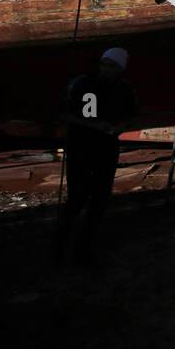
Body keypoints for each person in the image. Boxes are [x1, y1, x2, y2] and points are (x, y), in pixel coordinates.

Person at [53, 47, 138, 266]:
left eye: (112, 67)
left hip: (106, 146)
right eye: (105, 65)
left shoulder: (124, 89)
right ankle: (59, 249)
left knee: (99, 200)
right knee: (77, 198)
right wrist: (94, 125)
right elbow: (64, 113)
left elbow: (132, 115)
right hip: (81, 145)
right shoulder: (83, 84)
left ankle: (83, 250)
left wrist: (119, 127)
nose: (107, 70)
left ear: (120, 69)